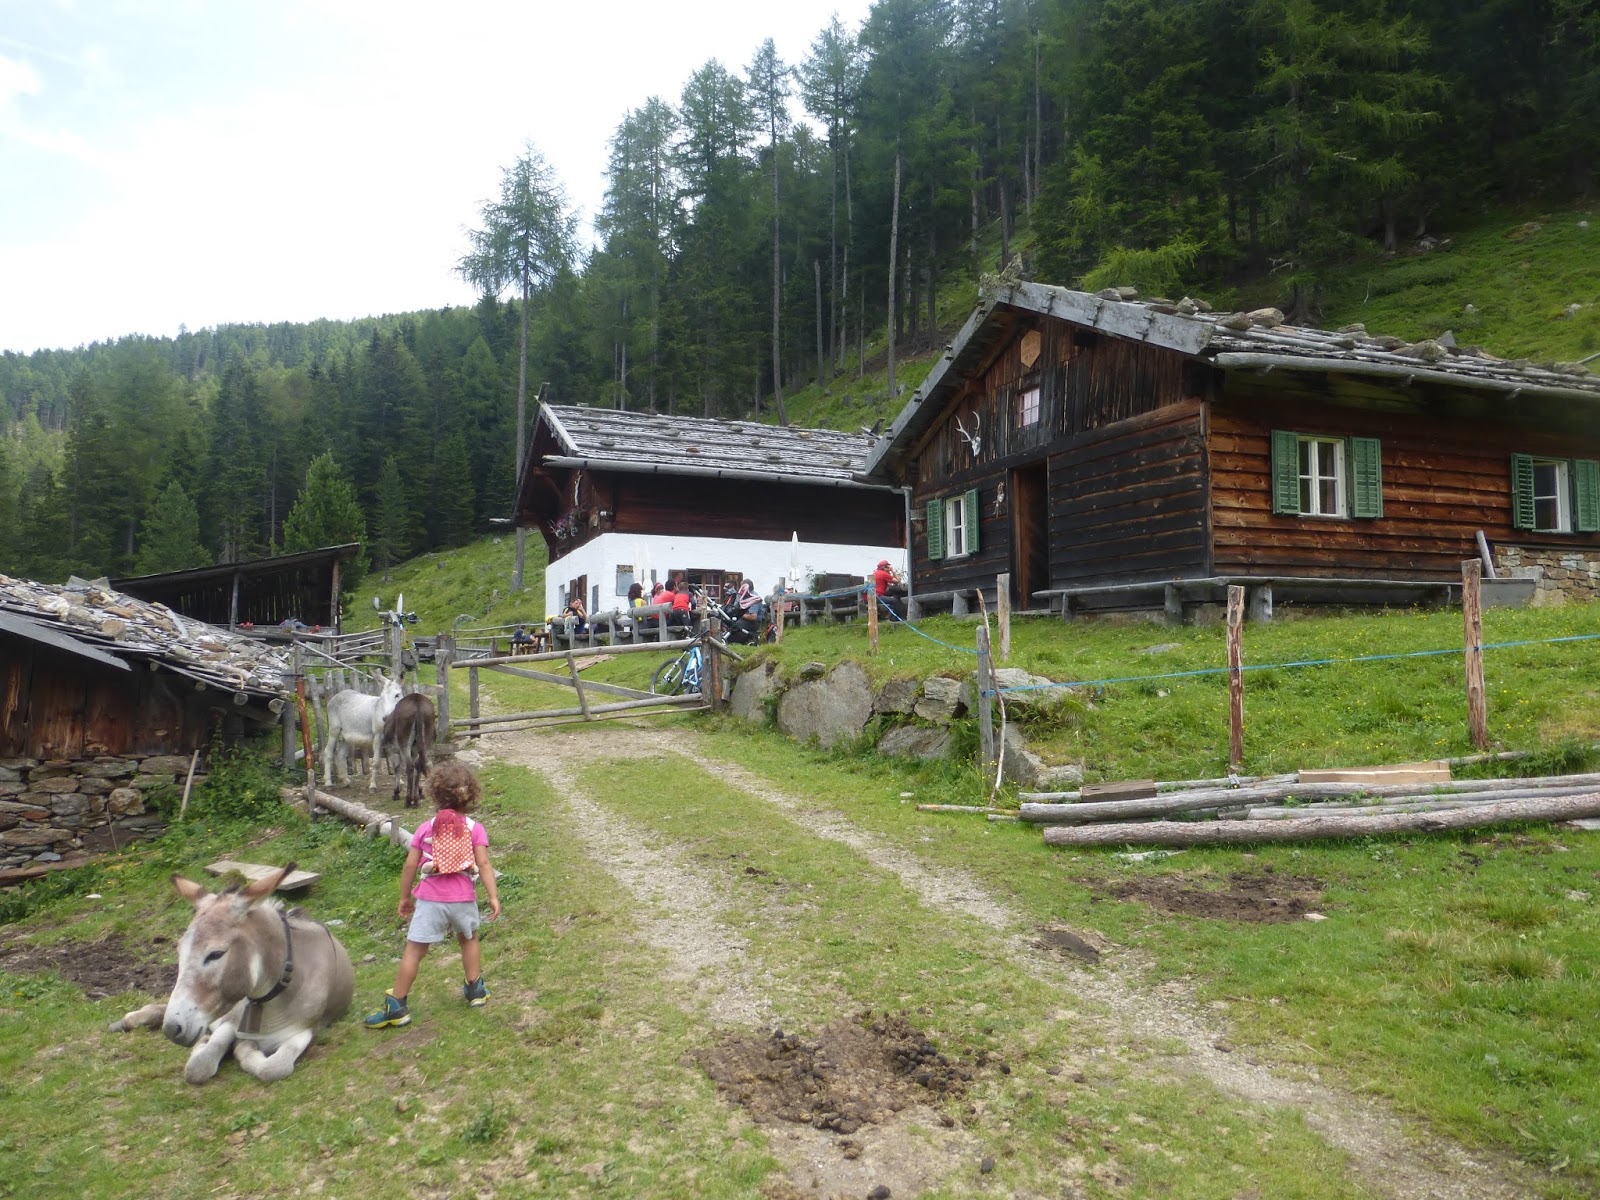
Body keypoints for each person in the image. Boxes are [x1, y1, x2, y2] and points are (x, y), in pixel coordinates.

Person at [364, 760, 502, 1028]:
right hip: (463, 897)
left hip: (430, 898)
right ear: (470, 795)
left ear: (435, 794)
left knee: (414, 950)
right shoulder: (475, 829)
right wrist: (493, 896)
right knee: (469, 938)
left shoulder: (425, 828)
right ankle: (475, 989)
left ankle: (397, 1005)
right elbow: (484, 864)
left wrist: (405, 898)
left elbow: (410, 865)